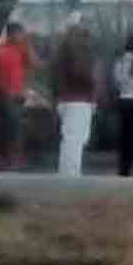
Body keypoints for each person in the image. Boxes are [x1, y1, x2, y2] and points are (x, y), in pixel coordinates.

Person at [0, 22, 35, 171]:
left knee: (15, 126)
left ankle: (12, 159)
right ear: (11, 34)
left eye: (23, 34)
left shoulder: (22, 49)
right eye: (20, 34)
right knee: (7, 126)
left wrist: (27, 45)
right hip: (3, 93)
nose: (22, 37)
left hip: (19, 94)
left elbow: (33, 63)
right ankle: (1, 159)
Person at [52, 19, 98, 178]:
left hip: (66, 98)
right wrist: (93, 87)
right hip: (79, 98)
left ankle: (67, 172)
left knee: (71, 138)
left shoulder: (62, 48)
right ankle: (71, 173)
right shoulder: (78, 49)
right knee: (76, 138)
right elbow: (83, 73)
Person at [111, 35, 133, 177]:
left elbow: (116, 82)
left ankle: (123, 170)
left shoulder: (119, 62)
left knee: (125, 138)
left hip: (124, 101)